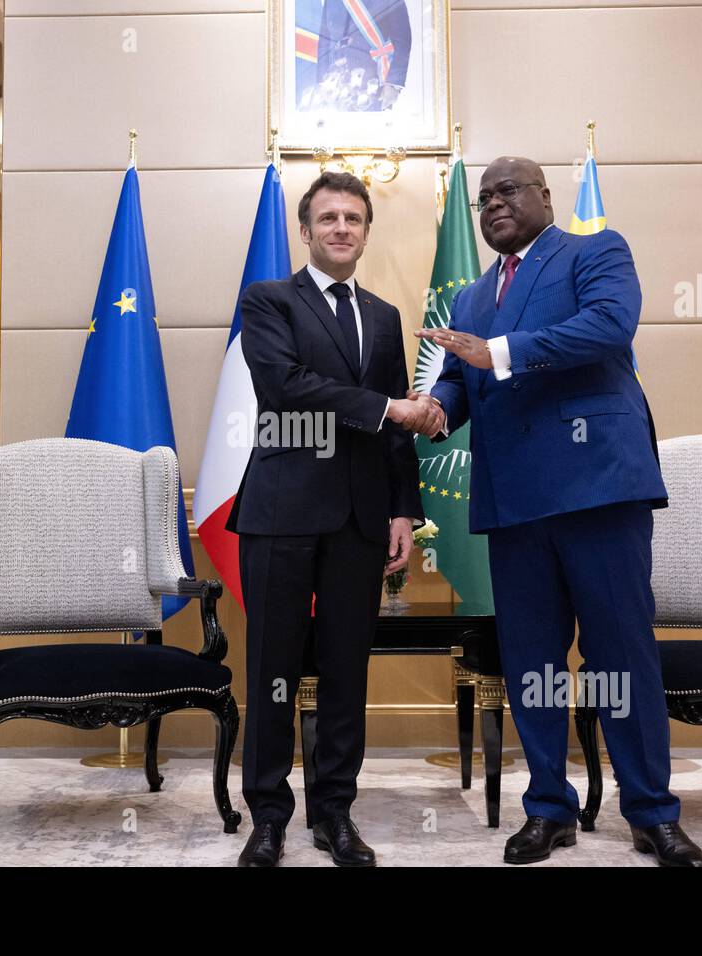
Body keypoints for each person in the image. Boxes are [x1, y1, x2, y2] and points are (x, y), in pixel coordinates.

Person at [416, 156, 702, 867]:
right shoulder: (472, 297)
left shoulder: (594, 252)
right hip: (514, 503)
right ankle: (549, 809)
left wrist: (501, 352)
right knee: (532, 664)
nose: (492, 205)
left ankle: (650, 812)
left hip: (597, 487)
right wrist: (432, 410)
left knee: (621, 656)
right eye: (482, 198)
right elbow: (460, 378)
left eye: (506, 191)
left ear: (546, 196)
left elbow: (609, 327)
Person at [227, 171, 439, 867]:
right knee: (273, 671)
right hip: (281, 513)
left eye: (353, 217)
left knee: (348, 670)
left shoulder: (382, 315)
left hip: (359, 517)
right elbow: (285, 389)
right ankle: (267, 815)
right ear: (306, 229)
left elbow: (396, 432)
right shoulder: (268, 301)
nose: (341, 228)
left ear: (366, 230)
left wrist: (405, 509)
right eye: (328, 218)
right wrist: (387, 409)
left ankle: (335, 815)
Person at [313, 0, 412, 112]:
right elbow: (324, 41)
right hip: (336, 84)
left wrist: (393, 84)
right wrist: (321, 81)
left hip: (372, 84)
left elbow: (402, 40)